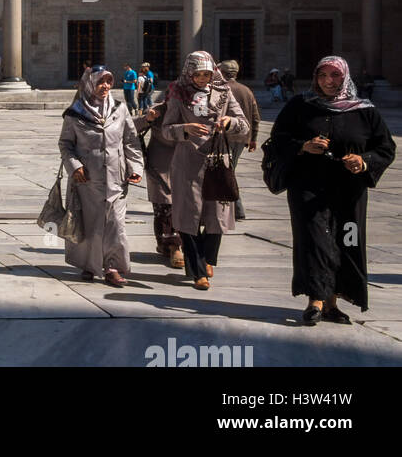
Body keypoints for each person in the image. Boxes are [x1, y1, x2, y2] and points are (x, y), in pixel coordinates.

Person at [267, 55, 396, 325]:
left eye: (335, 75)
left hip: (349, 191)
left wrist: (364, 161)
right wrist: (303, 146)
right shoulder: (300, 105)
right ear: (315, 78)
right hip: (308, 188)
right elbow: (278, 140)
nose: (328, 81)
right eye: (322, 75)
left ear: (345, 77)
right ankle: (315, 299)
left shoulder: (364, 110)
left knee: (346, 240)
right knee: (314, 240)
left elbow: (385, 148)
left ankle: (333, 302)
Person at [160, 51, 249, 289]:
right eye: (197, 74)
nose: (202, 79)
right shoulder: (178, 94)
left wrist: (229, 123)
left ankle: (208, 259)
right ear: (189, 72)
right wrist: (185, 129)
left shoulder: (223, 92)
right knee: (188, 218)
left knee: (216, 217)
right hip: (188, 163)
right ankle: (198, 271)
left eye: (206, 74)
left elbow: (244, 124)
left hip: (217, 161)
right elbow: (166, 130)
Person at [58, 66, 143, 286]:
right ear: (89, 85)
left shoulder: (119, 108)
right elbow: (65, 144)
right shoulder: (75, 113)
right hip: (87, 179)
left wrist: (135, 167)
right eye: (100, 82)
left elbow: (131, 141)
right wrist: (74, 166)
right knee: (90, 223)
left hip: (117, 177)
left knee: (115, 223)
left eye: (108, 81)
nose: (105, 86)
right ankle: (88, 264)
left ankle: (112, 266)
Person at [134, 98, 184, 268]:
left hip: (187, 165)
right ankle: (173, 246)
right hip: (160, 166)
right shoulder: (159, 109)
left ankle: (173, 245)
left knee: (183, 208)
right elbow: (131, 127)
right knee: (164, 207)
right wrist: (147, 118)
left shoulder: (195, 108)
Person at [218, 59, 261, 220]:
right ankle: (232, 209)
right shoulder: (246, 90)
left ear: (221, 72)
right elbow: (255, 118)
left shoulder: (221, 89)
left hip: (225, 136)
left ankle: (237, 210)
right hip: (242, 138)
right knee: (229, 171)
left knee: (227, 172)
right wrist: (253, 139)